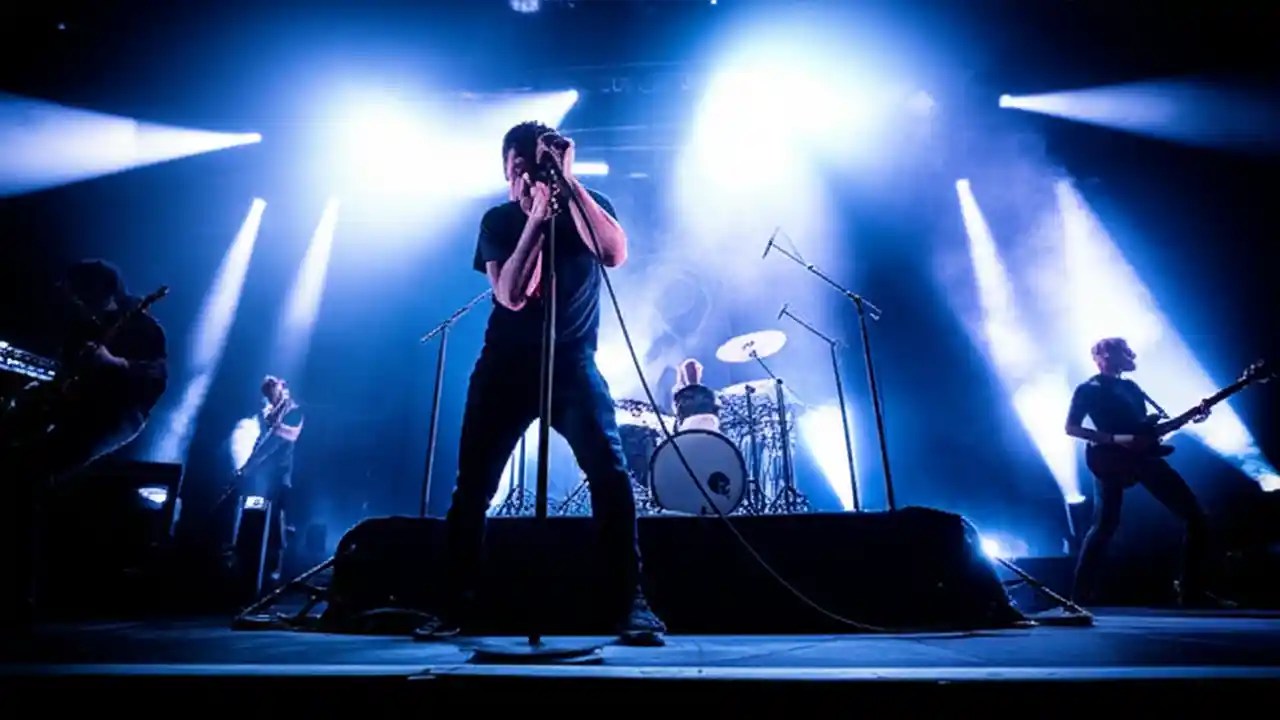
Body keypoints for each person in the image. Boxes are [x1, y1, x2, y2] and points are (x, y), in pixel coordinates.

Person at [413, 121, 666, 645]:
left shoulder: (588, 205)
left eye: (542, 163)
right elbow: (511, 294)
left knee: (611, 475)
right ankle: (452, 604)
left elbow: (614, 254)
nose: (531, 174)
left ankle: (629, 605)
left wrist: (568, 184)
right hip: (506, 368)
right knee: (473, 487)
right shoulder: (498, 220)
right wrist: (535, 218)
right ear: (508, 168)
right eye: (522, 166)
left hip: (572, 365)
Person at [1, 259, 168, 623]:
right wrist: (44, 387)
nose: (75, 299)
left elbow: (155, 377)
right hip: (75, 405)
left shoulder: (142, 324)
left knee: (32, 473)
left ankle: (20, 596)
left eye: (81, 292)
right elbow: (66, 372)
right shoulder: (81, 325)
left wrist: (114, 364)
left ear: (103, 289)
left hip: (121, 413)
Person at [1064, 337, 1226, 607]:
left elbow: (1145, 428)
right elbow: (1071, 428)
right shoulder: (1088, 389)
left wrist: (1192, 416)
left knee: (1195, 516)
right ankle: (1078, 597)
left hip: (1143, 458)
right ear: (1103, 357)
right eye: (1122, 351)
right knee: (1104, 526)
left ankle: (1191, 591)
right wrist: (1119, 439)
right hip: (1109, 460)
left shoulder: (1131, 387)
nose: (1130, 355)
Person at [235, 375, 303, 583]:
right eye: (267, 394)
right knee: (252, 515)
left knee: (276, 522)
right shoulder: (270, 414)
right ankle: (246, 562)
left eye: (272, 392)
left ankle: (275, 569)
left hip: (280, 476)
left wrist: (276, 426)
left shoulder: (294, 411)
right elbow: (261, 444)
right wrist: (247, 466)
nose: (270, 398)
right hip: (261, 477)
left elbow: (290, 435)